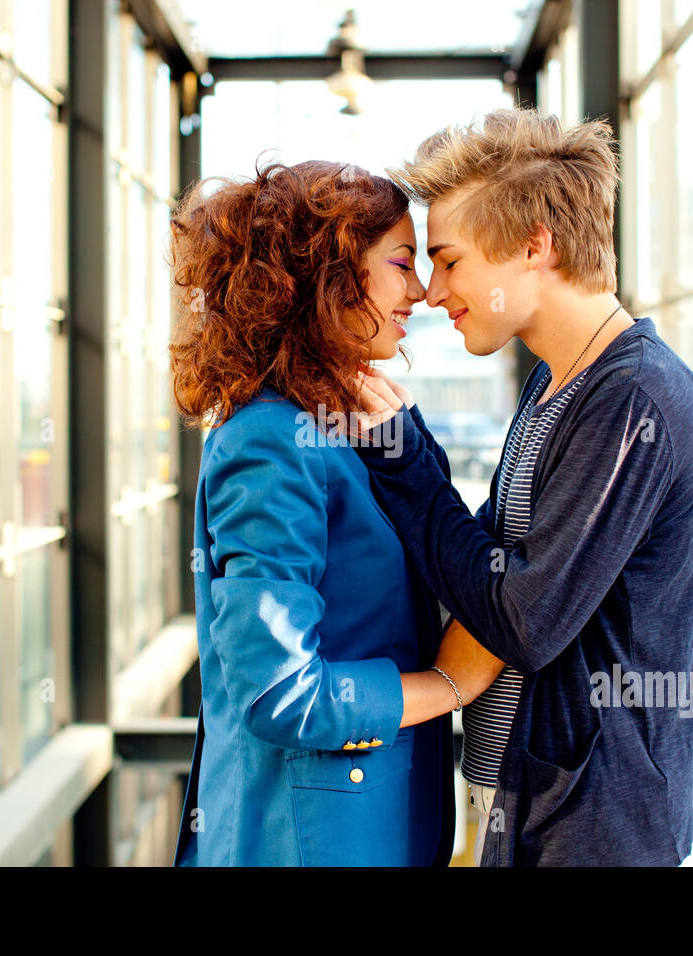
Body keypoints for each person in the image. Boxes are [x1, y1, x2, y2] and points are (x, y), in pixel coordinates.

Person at [350, 109, 693, 866]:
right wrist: (407, 443)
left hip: (595, 827)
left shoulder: (634, 400)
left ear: (534, 247)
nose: (432, 292)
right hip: (533, 805)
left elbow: (526, 618)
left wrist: (404, 461)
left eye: (450, 261)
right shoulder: (558, 381)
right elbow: (485, 553)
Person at [169, 159, 502, 867]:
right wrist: (449, 686)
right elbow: (283, 694)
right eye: (403, 263)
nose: (420, 291)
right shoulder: (268, 442)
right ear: (333, 276)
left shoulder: (352, 420)